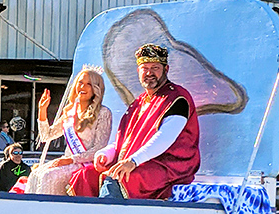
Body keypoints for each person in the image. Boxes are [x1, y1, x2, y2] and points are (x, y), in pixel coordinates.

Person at [69, 44, 200, 200]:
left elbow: (165, 138)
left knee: (118, 178)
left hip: (168, 167)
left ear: (166, 70)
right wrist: (106, 154)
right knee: (86, 175)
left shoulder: (177, 98)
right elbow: (125, 140)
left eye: (155, 68)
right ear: (138, 71)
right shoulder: (139, 103)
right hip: (139, 163)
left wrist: (132, 161)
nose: (149, 73)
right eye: (145, 68)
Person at [25, 67, 112, 195]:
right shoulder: (70, 112)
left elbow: (99, 148)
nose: (83, 87)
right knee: (35, 174)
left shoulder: (103, 113)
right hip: (66, 161)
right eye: (80, 82)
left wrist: (71, 160)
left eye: (89, 84)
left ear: (96, 89)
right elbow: (46, 136)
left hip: (84, 164)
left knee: (49, 176)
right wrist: (42, 111)